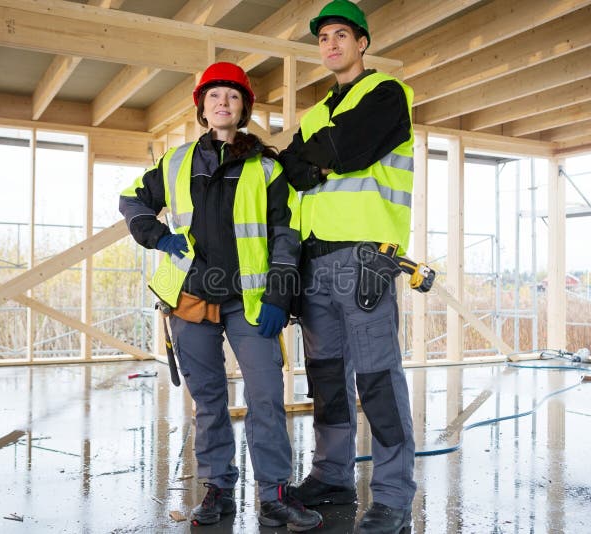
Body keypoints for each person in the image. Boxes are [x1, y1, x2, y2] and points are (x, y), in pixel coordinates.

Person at [119, 62, 322, 532]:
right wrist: (157, 236)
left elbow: (286, 234)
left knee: (267, 396)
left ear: (244, 107)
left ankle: (273, 495)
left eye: (231, 96)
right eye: (213, 96)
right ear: (202, 108)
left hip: (250, 302)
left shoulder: (266, 166)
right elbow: (132, 199)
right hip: (190, 296)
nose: (222, 103)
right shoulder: (175, 163)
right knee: (208, 400)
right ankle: (218, 490)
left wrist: (279, 296)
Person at [278, 1, 416, 533]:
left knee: (378, 379)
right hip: (315, 262)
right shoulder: (316, 111)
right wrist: (306, 161)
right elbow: (293, 167)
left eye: (341, 34)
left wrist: (311, 158)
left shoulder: (387, 94)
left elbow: (348, 147)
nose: (331, 44)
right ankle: (332, 473)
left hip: (363, 257)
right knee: (328, 380)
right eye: (323, 38)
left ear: (362, 42)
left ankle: (393, 494)